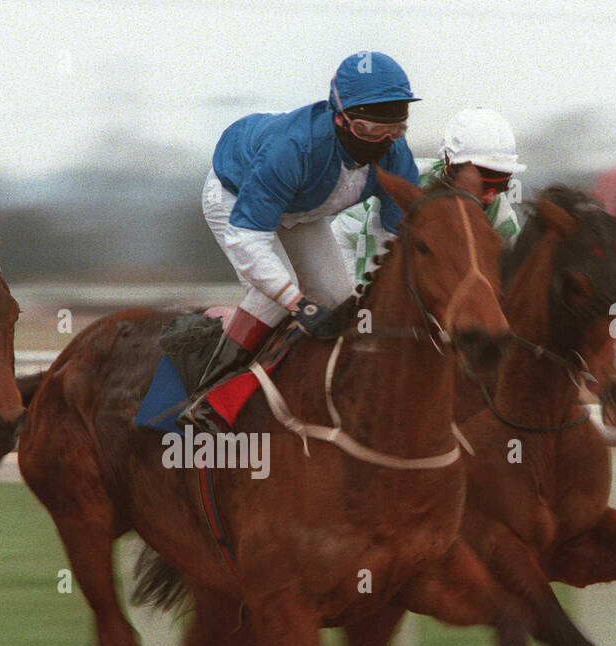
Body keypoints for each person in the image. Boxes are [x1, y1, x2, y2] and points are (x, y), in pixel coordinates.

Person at [185, 51, 422, 431]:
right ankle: (210, 397)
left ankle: (308, 390)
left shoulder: (395, 156)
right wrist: (296, 303)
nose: (384, 142)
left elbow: (397, 236)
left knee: (338, 301)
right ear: (340, 118)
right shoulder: (294, 148)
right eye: (369, 131)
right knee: (277, 297)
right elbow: (249, 239)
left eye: (395, 130)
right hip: (235, 195)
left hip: (301, 210)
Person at [335, 106, 526, 287]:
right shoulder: (408, 185)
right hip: (351, 245)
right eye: (483, 184)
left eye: (501, 184)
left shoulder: (498, 211)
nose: (491, 198)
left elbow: (518, 274)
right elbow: (370, 272)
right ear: (449, 167)